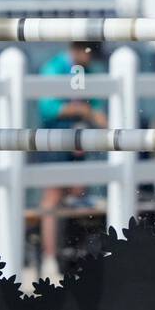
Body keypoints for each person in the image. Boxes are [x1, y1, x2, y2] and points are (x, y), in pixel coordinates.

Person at [34, 42, 109, 281]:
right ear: (78, 48)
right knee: (53, 196)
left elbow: (95, 105)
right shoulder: (54, 68)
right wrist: (84, 111)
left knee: (78, 193)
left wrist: (96, 116)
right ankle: (49, 258)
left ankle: (73, 258)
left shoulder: (87, 71)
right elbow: (48, 108)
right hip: (55, 138)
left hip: (78, 139)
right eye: (89, 52)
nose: (91, 59)